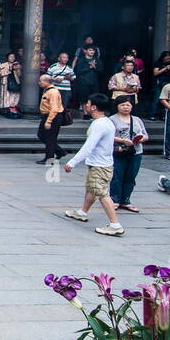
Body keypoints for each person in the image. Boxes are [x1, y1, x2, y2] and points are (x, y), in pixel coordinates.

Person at [62, 93, 124, 236]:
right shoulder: (105, 122)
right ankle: (82, 212)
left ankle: (115, 224)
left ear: (94, 107)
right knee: (91, 189)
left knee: (102, 193)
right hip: (102, 163)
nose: (86, 106)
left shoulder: (99, 124)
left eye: (88, 104)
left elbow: (88, 146)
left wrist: (72, 162)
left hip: (100, 165)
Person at [108, 98, 147, 214]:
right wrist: (122, 140)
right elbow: (108, 135)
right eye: (122, 105)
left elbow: (145, 135)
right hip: (119, 151)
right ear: (117, 106)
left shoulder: (137, 120)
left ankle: (126, 199)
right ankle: (115, 199)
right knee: (117, 176)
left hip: (135, 151)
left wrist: (139, 140)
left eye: (128, 105)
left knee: (131, 176)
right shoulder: (112, 119)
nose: (125, 107)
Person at [36, 73, 69, 163]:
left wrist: (49, 121)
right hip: (47, 115)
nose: (39, 83)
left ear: (47, 82)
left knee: (50, 138)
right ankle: (59, 151)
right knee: (41, 135)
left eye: (41, 81)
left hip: (53, 116)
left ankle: (49, 158)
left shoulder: (53, 92)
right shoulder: (47, 90)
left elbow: (54, 108)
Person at [72, 45, 100, 115]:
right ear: (85, 51)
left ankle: (92, 113)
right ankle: (85, 113)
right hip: (83, 82)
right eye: (90, 50)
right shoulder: (81, 60)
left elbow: (101, 70)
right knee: (83, 98)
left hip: (94, 82)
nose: (92, 52)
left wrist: (95, 67)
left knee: (94, 98)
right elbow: (78, 71)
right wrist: (89, 67)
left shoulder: (97, 60)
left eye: (93, 50)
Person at [149, 52, 170, 120]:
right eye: (166, 56)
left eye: (169, 56)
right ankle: (152, 115)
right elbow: (155, 73)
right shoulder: (158, 63)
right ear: (163, 57)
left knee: (167, 100)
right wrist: (165, 68)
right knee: (156, 100)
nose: (168, 58)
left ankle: (164, 115)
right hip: (160, 83)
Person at [1, 52, 22, 117]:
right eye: (10, 57)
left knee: (15, 96)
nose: (12, 58)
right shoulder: (3, 65)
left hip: (15, 82)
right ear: (7, 58)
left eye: (13, 57)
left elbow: (20, 75)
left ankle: (13, 108)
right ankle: (6, 110)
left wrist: (17, 69)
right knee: (7, 96)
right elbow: (0, 73)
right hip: (6, 82)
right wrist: (9, 69)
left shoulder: (17, 65)